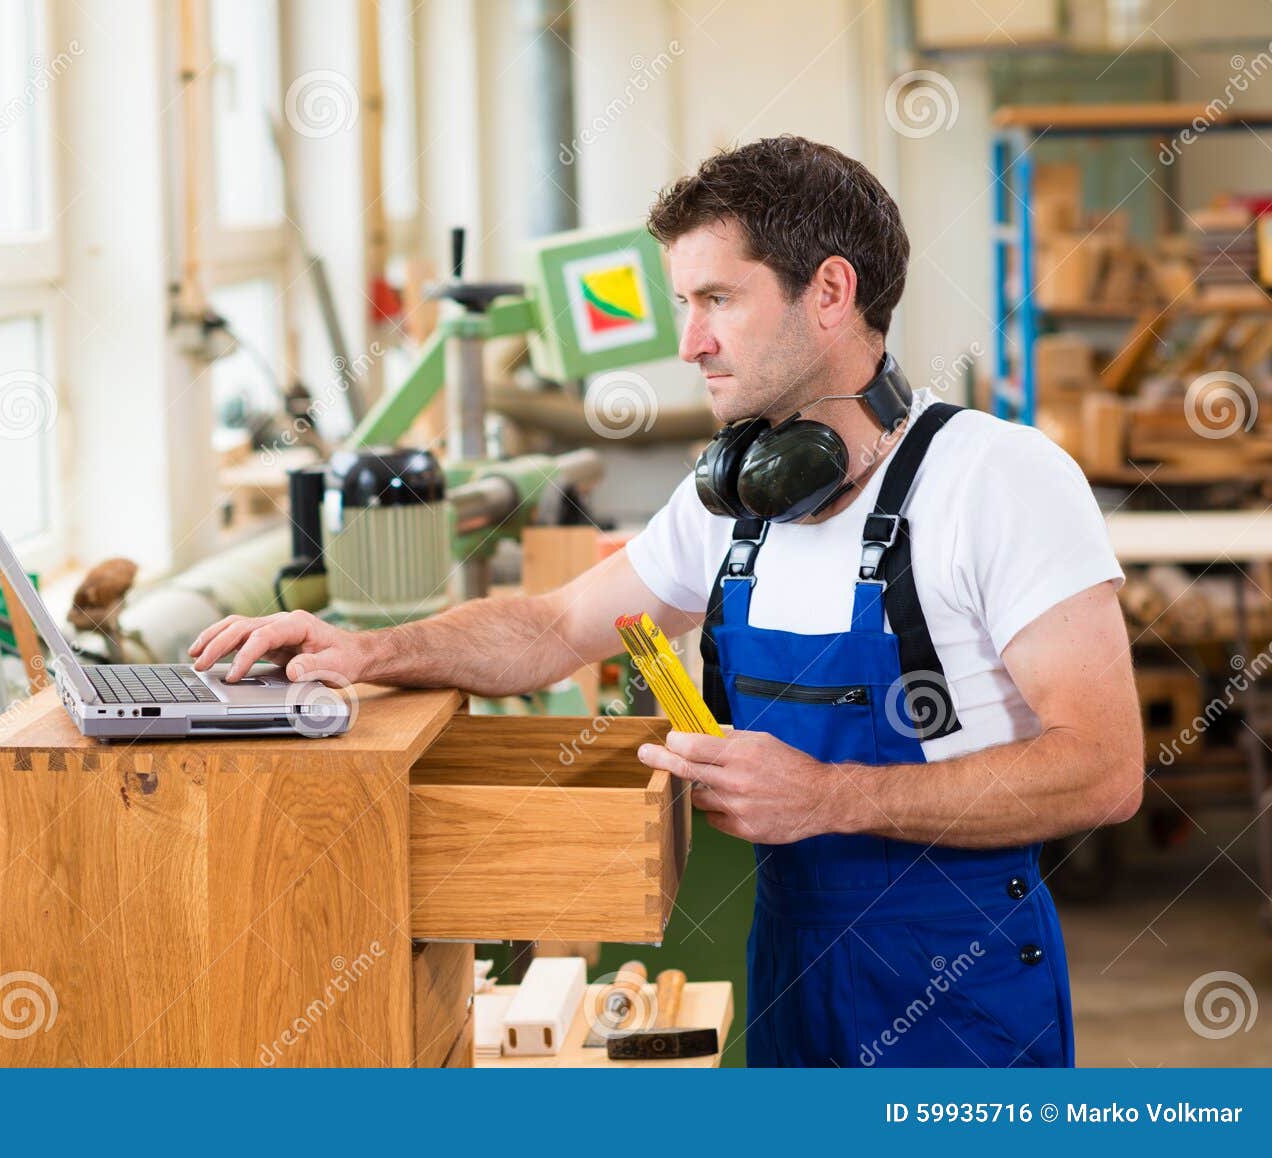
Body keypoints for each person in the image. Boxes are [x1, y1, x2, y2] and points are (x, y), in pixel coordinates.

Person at [188, 136, 1143, 1067]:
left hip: (957, 994)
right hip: (790, 969)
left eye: (718, 299)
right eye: (686, 303)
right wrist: (364, 651)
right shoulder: (735, 500)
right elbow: (555, 626)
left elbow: (1104, 771)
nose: (690, 343)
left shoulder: (999, 480)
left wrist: (829, 797)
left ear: (831, 294)